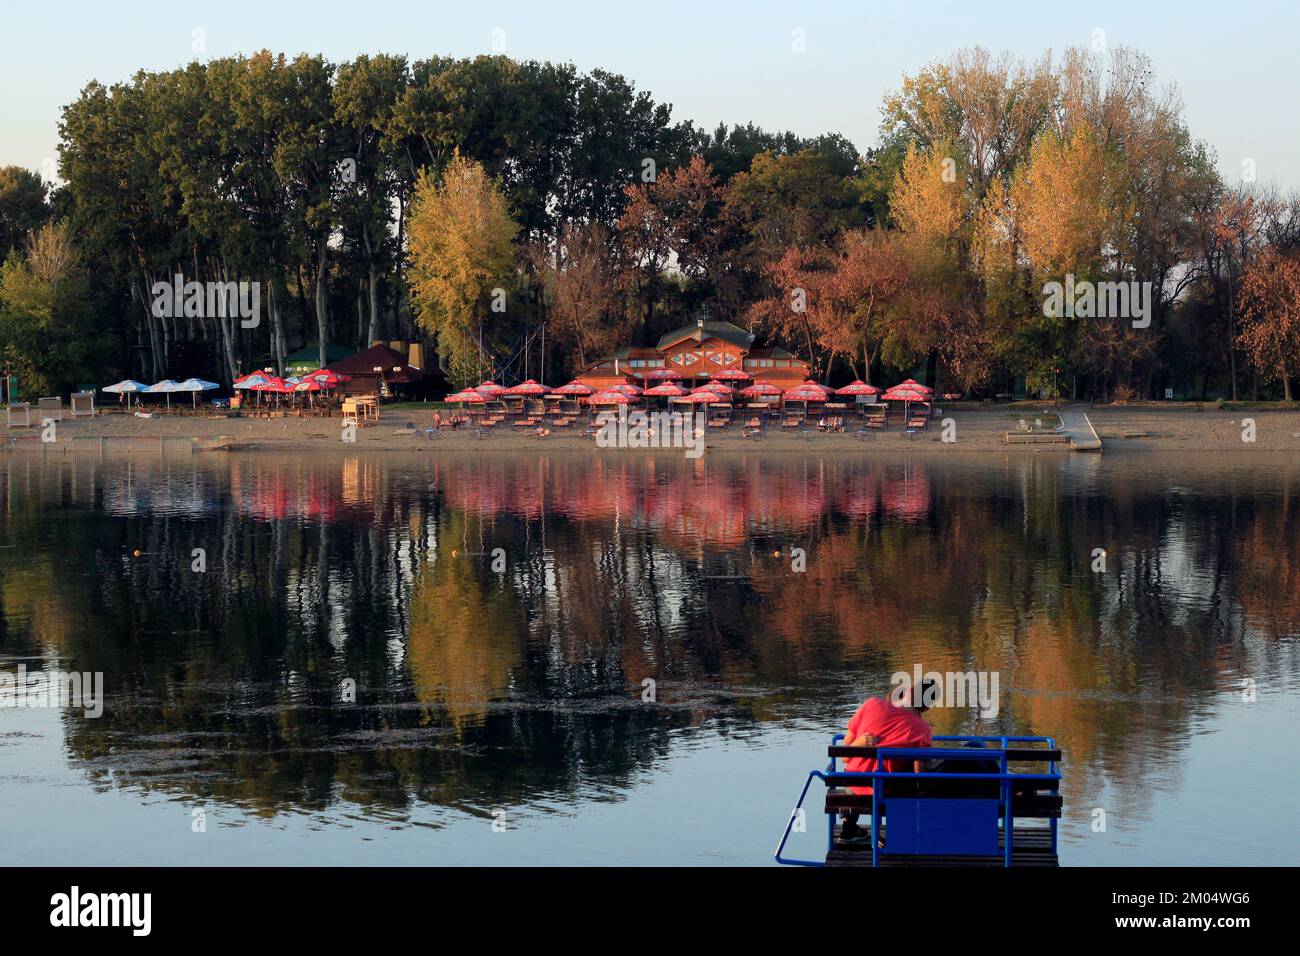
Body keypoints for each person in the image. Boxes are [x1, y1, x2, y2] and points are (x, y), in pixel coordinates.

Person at [838, 679, 935, 842]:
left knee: (860, 774)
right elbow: (919, 774)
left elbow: (844, 756)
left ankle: (849, 829)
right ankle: (899, 832)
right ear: (925, 707)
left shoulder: (871, 704)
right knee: (909, 782)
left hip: (854, 786)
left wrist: (860, 743)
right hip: (886, 791)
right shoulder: (921, 728)